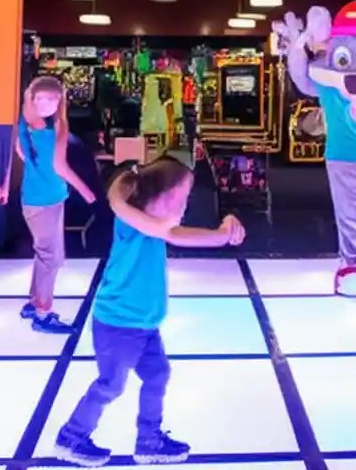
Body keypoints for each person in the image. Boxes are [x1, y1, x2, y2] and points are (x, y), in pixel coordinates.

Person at [54, 156, 246, 467]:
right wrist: (223, 234)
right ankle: (71, 436)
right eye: (180, 197)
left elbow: (170, 228)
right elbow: (172, 231)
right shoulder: (134, 224)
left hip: (144, 324)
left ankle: (149, 440)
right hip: (119, 324)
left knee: (157, 375)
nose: (184, 206)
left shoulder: (151, 224)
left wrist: (226, 227)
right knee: (111, 385)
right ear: (156, 196)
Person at [0, 75, 97, 334]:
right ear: (32, 99)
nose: (46, 104)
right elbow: (60, 167)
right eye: (41, 99)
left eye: (52, 99)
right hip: (44, 201)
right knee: (51, 258)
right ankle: (43, 314)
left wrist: (5, 188)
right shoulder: (53, 130)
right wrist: (89, 194)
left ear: (59, 101)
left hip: (40, 199)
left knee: (45, 254)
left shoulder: (24, 125)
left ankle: (34, 302)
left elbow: (18, 159)